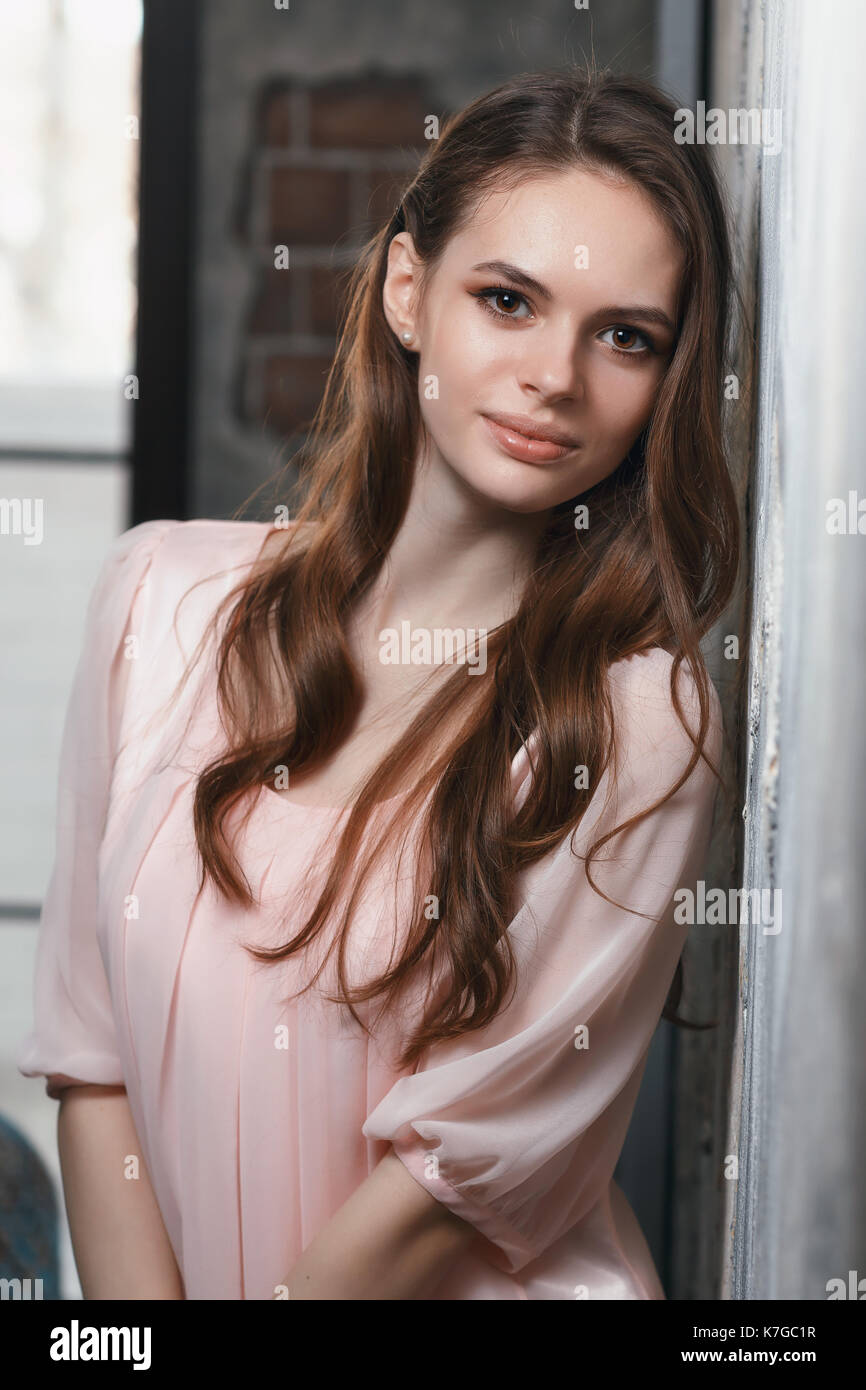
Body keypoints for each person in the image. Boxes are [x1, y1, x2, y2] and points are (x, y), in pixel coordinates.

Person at [18, 65, 739, 1300]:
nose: (555, 375)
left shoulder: (641, 721)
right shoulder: (158, 600)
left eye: (625, 335)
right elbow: (95, 1068)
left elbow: (447, 1194)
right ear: (408, 291)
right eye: (507, 300)